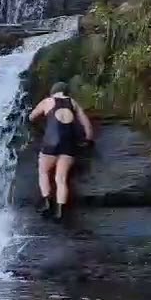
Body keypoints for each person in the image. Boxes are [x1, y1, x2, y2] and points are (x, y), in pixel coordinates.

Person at [29, 81, 94, 221]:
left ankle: (47, 202)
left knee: (43, 172)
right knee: (61, 178)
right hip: (69, 146)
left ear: (53, 91)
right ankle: (60, 211)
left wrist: (40, 125)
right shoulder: (73, 103)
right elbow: (86, 125)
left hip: (50, 144)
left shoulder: (48, 101)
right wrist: (88, 140)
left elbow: (32, 116)